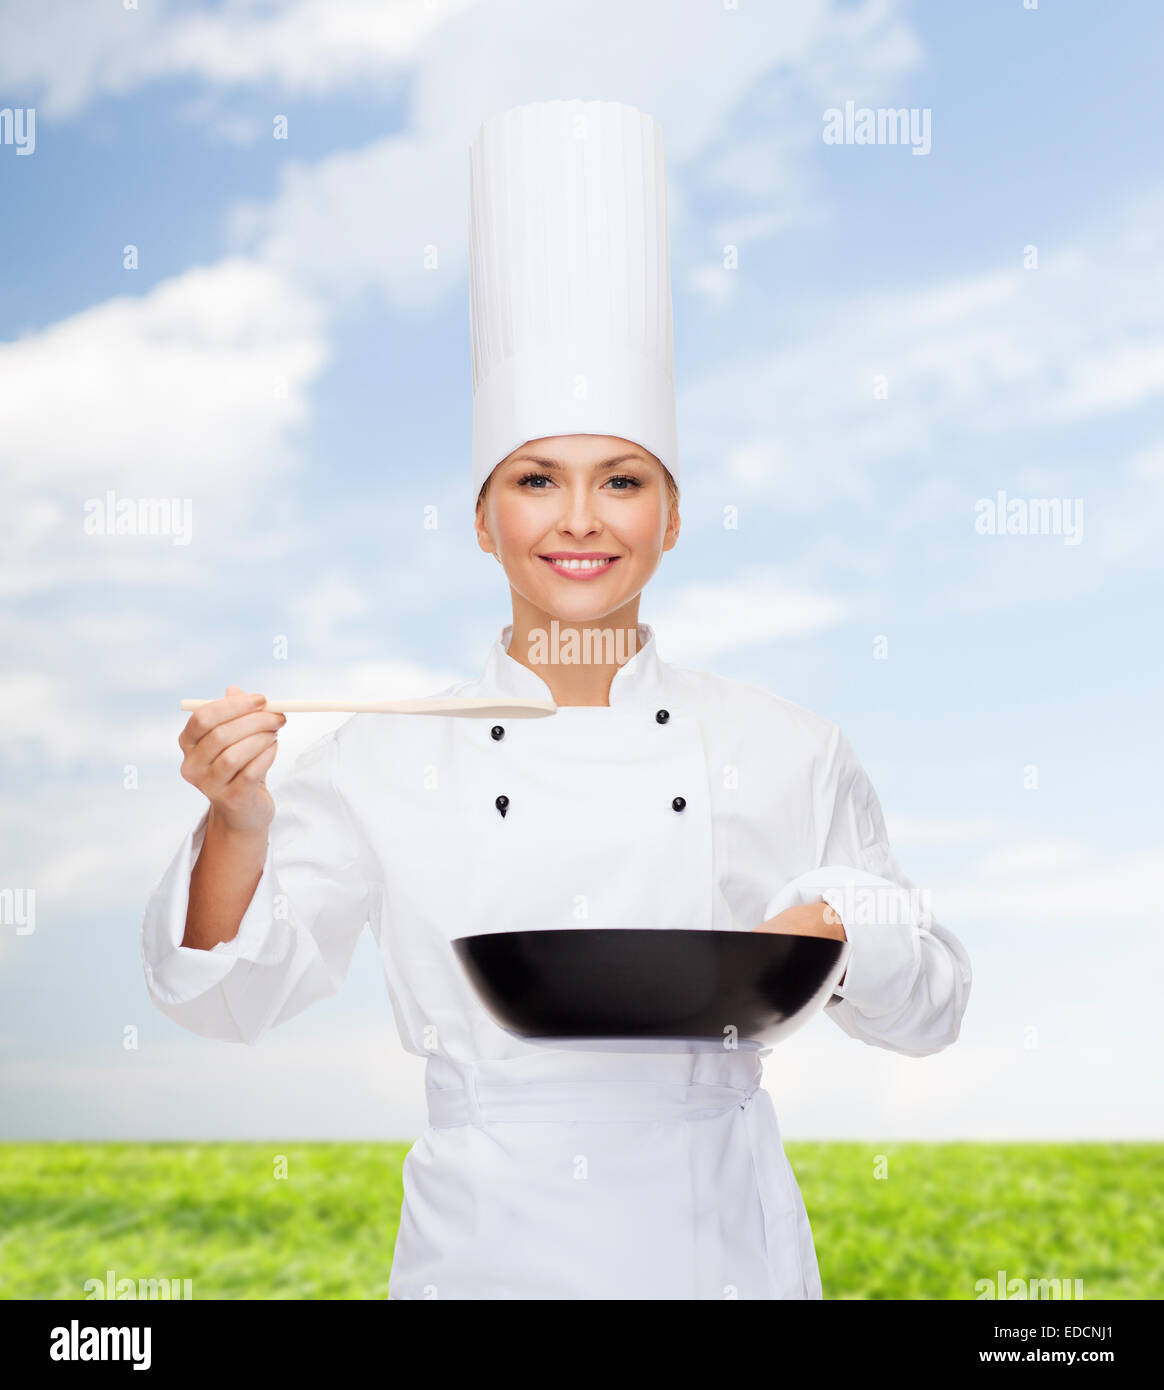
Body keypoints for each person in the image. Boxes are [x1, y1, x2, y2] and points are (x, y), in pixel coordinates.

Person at [141, 100, 971, 1300]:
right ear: (485, 520)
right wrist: (238, 822)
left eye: (622, 480)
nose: (580, 519)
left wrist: (842, 925)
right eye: (537, 479)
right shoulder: (383, 756)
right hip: (489, 1250)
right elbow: (223, 995)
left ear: (672, 516)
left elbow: (933, 1008)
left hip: (720, 1249)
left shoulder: (789, 746)